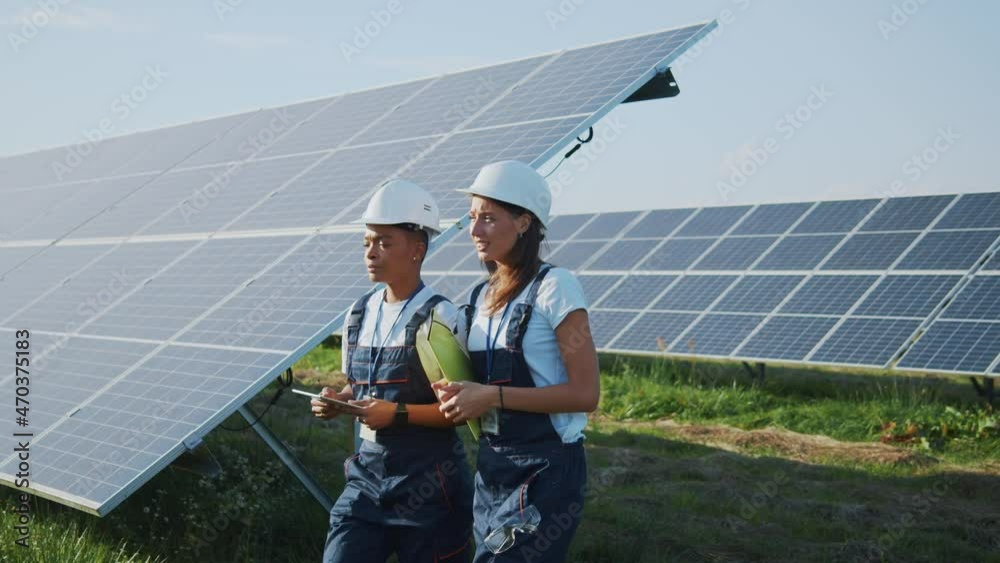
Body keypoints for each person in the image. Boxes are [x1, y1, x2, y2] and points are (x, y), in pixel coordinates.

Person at [433, 160, 600, 562]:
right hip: (493, 465)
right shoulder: (478, 298)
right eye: (472, 218)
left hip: (546, 469)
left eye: (488, 218)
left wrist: (491, 397)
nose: (474, 231)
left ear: (524, 222)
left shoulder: (555, 287)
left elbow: (585, 393)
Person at [313, 179, 473, 563]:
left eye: (385, 242)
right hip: (366, 477)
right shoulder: (358, 313)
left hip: (431, 483)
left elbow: (461, 411)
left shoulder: (442, 317)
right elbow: (359, 386)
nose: (371, 252)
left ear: (417, 249)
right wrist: (339, 401)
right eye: (367, 242)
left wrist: (396, 414)